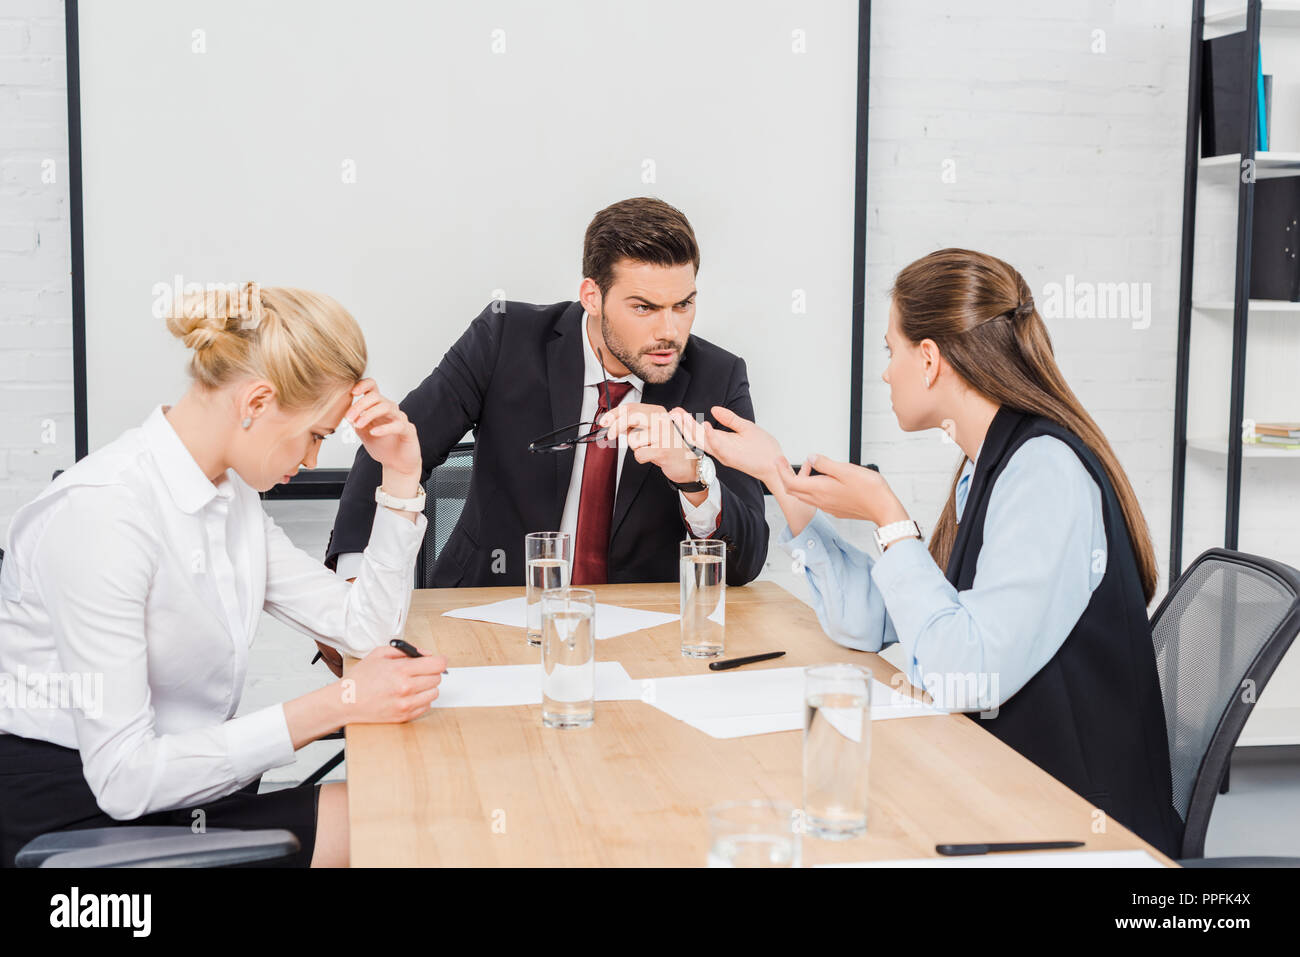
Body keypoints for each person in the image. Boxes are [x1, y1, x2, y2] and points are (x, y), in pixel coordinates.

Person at [695, 248, 1184, 858]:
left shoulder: (1043, 472)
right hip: (1002, 785)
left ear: (927, 360)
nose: (885, 372)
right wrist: (779, 478)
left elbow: (962, 673)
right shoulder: (986, 466)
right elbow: (868, 620)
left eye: (889, 350)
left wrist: (889, 518)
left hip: (1069, 824)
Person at [0, 282, 446, 868]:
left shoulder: (230, 497)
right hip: (81, 813)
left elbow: (363, 629)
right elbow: (124, 780)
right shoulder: (104, 514)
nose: (314, 460)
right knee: (394, 831)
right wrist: (337, 703)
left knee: (405, 810)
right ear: (257, 403)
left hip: (188, 789)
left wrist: (401, 477)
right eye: (315, 435)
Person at [322, 197, 768, 671]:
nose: (669, 330)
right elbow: (394, 445)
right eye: (644, 307)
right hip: (486, 618)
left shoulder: (716, 377)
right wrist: (351, 587)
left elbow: (745, 563)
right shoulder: (504, 337)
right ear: (592, 296)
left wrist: (691, 474)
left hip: (641, 640)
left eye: (684, 305)